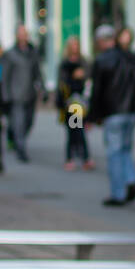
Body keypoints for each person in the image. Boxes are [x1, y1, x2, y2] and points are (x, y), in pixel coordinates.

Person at [86, 24, 135, 207]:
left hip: (114, 112)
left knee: (115, 152)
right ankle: (130, 180)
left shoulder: (102, 60)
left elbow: (96, 91)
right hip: (130, 111)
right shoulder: (129, 57)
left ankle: (118, 193)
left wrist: (92, 116)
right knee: (124, 150)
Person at [1, 24, 45, 162]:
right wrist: (5, 95)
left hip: (30, 94)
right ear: (17, 36)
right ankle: (21, 149)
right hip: (16, 94)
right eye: (21, 33)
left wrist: (42, 88)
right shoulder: (10, 54)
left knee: (28, 122)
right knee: (19, 123)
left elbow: (38, 72)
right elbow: (5, 76)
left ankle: (13, 135)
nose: (23, 36)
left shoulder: (33, 52)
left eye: (25, 33)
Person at [56, 37, 94, 171]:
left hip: (81, 102)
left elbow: (89, 81)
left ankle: (78, 157)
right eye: (72, 45)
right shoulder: (65, 64)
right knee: (74, 130)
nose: (75, 48)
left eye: (76, 45)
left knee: (78, 130)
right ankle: (77, 158)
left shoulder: (83, 62)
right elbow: (62, 85)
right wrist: (73, 77)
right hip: (71, 103)